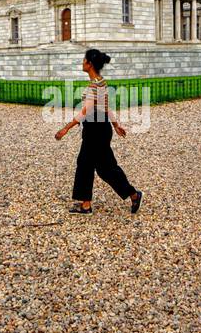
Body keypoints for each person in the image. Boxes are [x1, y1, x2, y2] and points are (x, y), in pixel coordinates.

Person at [54, 48, 144, 215]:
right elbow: (106, 106)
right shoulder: (101, 82)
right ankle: (87, 204)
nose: (82, 62)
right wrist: (115, 125)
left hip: (95, 131)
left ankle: (133, 194)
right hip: (101, 129)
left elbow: (85, 112)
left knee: (101, 167)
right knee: (91, 165)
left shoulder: (93, 86)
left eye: (84, 60)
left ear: (89, 64)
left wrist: (66, 127)